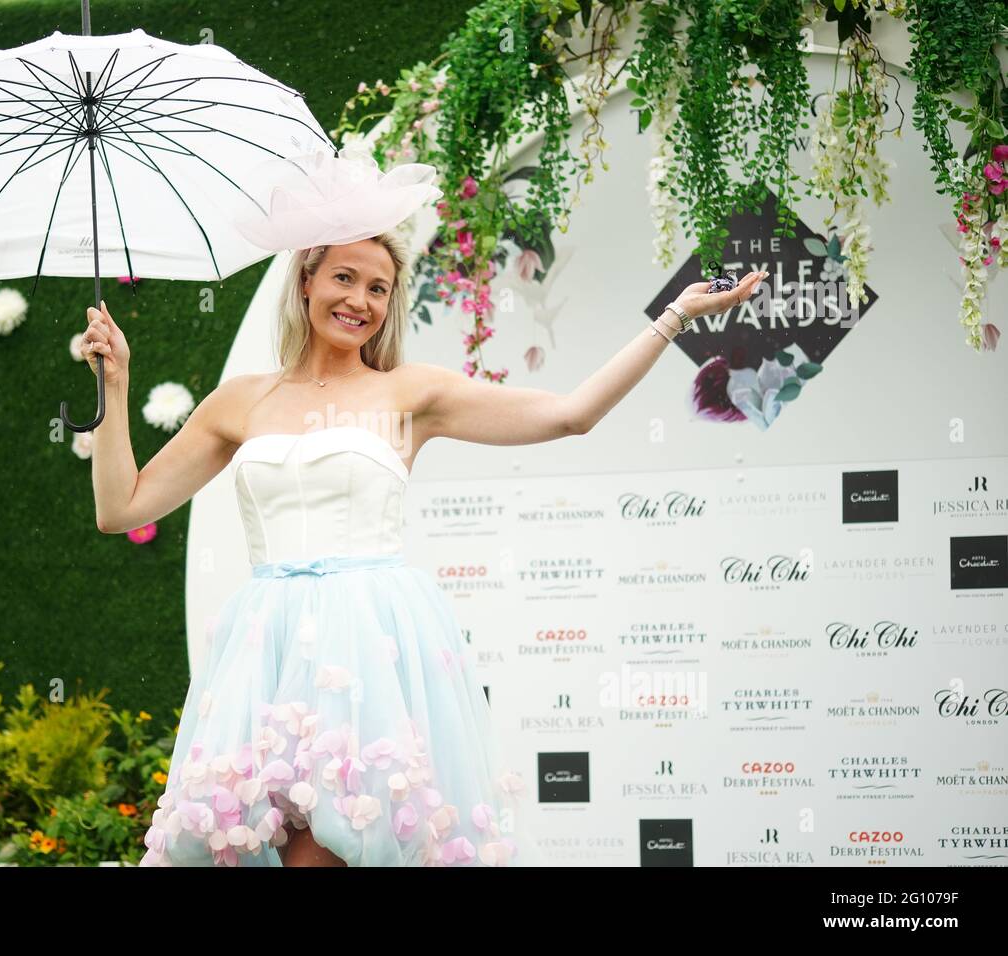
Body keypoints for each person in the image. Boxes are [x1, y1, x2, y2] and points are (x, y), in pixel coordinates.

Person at [79, 153, 766, 866]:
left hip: (369, 652)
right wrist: (117, 385)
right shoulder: (239, 402)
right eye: (344, 277)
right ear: (306, 279)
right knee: (269, 850)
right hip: (268, 653)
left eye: (379, 287)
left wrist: (677, 315)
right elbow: (121, 507)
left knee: (341, 849)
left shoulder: (411, 393)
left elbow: (571, 414)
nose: (361, 300)